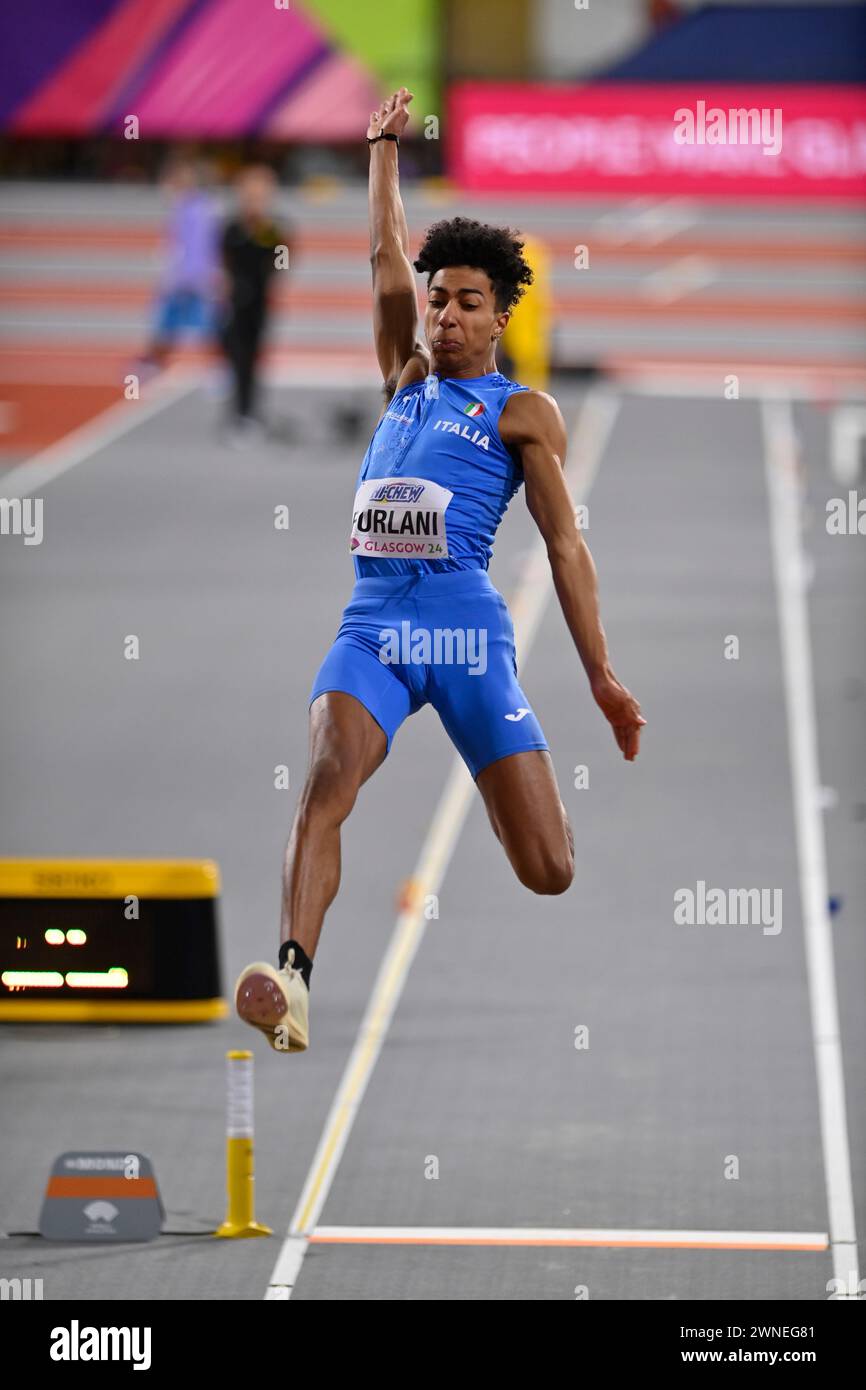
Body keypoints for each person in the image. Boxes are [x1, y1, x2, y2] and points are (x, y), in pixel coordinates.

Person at [235, 89, 646, 1053]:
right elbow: (386, 253)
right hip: (372, 625)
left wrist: (600, 675)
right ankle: (291, 979)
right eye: (439, 300)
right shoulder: (403, 377)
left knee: (548, 868)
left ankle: (510, 790)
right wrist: (382, 150)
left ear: (501, 316)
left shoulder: (520, 412)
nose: (447, 317)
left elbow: (565, 544)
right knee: (327, 776)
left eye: (468, 303)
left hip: (463, 634)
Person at [219, 164, 289, 440]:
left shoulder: (271, 229)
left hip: (259, 302)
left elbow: (282, 260)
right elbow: (223, 259)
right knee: (236, 356)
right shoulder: (233, 227)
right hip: (235, 302)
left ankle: (249, 413)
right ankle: (239, 412)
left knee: (253, 358)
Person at [140, 156, 220, 371]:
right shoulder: (183, 208)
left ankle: (221, 368)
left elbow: (200, 248)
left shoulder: (199, 209)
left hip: (192, 280)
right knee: (168, 325)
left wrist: (191, 278)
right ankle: (154, 362)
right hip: (183, 278)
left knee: (207, 327)